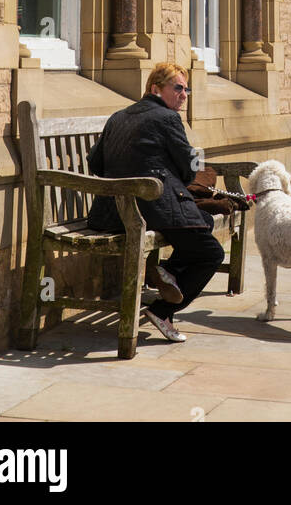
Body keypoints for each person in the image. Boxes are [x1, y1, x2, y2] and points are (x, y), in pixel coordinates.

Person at [87, 62, 225, 343]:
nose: (184, 94)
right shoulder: (167, 118)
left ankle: (168, 272)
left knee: (205, 221)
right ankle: (162, 310)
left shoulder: (118, 116)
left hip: (110, 212)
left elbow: (95, 164)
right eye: (178, 88)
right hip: (148, 209)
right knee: (212, 254)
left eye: (187, 89)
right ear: (155, 89)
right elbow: (188, 171)